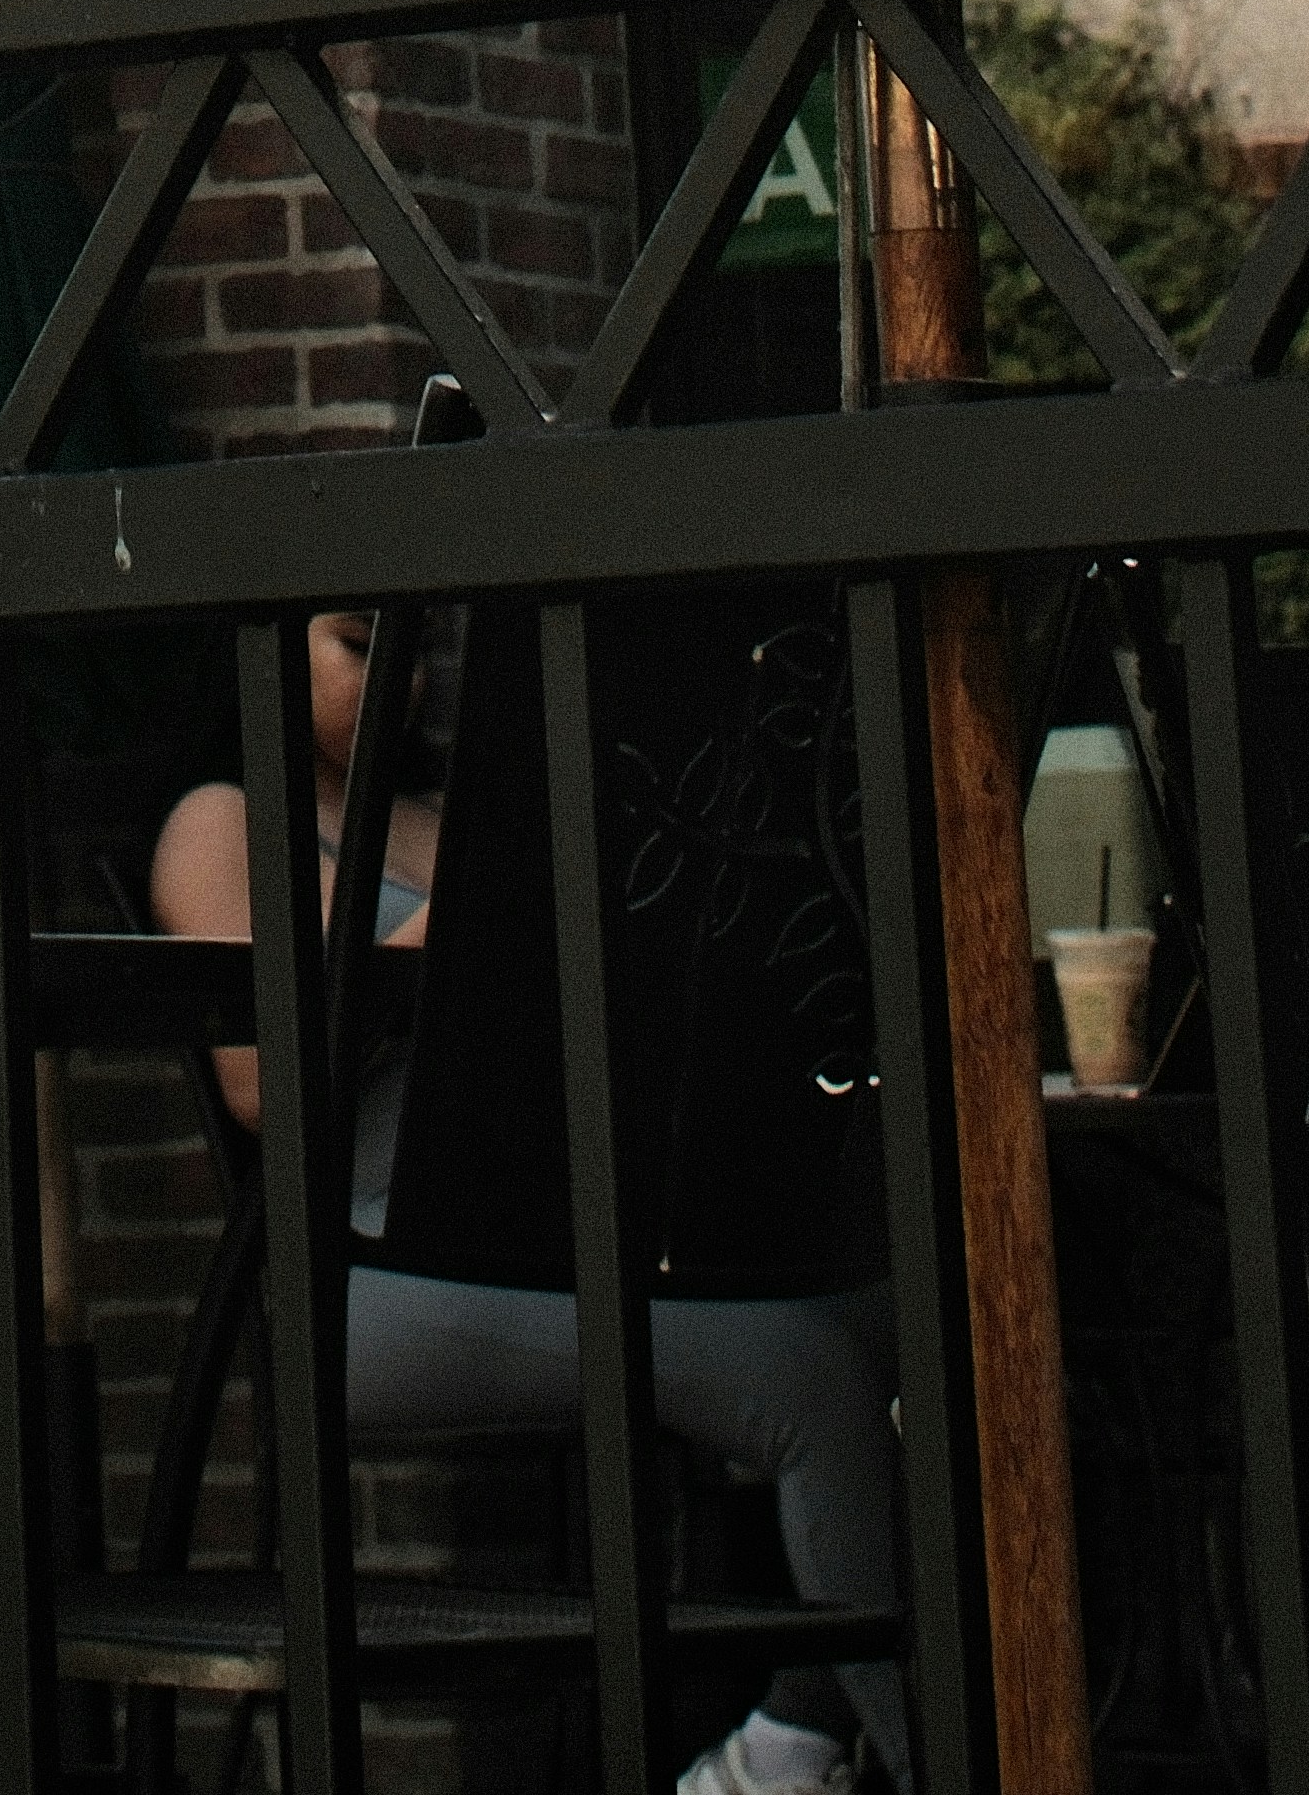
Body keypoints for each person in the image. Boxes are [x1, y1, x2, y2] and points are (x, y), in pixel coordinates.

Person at [153, 613, 904, 1795]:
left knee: (892, 1315)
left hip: (553, 1234)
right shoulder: (221, 821)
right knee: (800, 1373)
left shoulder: (444, 818)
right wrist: (513, 896)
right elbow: (257, 1084)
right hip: (380, 1266)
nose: (394, 674)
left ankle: (792, 1739)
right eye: (356, 641)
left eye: (407, 641)